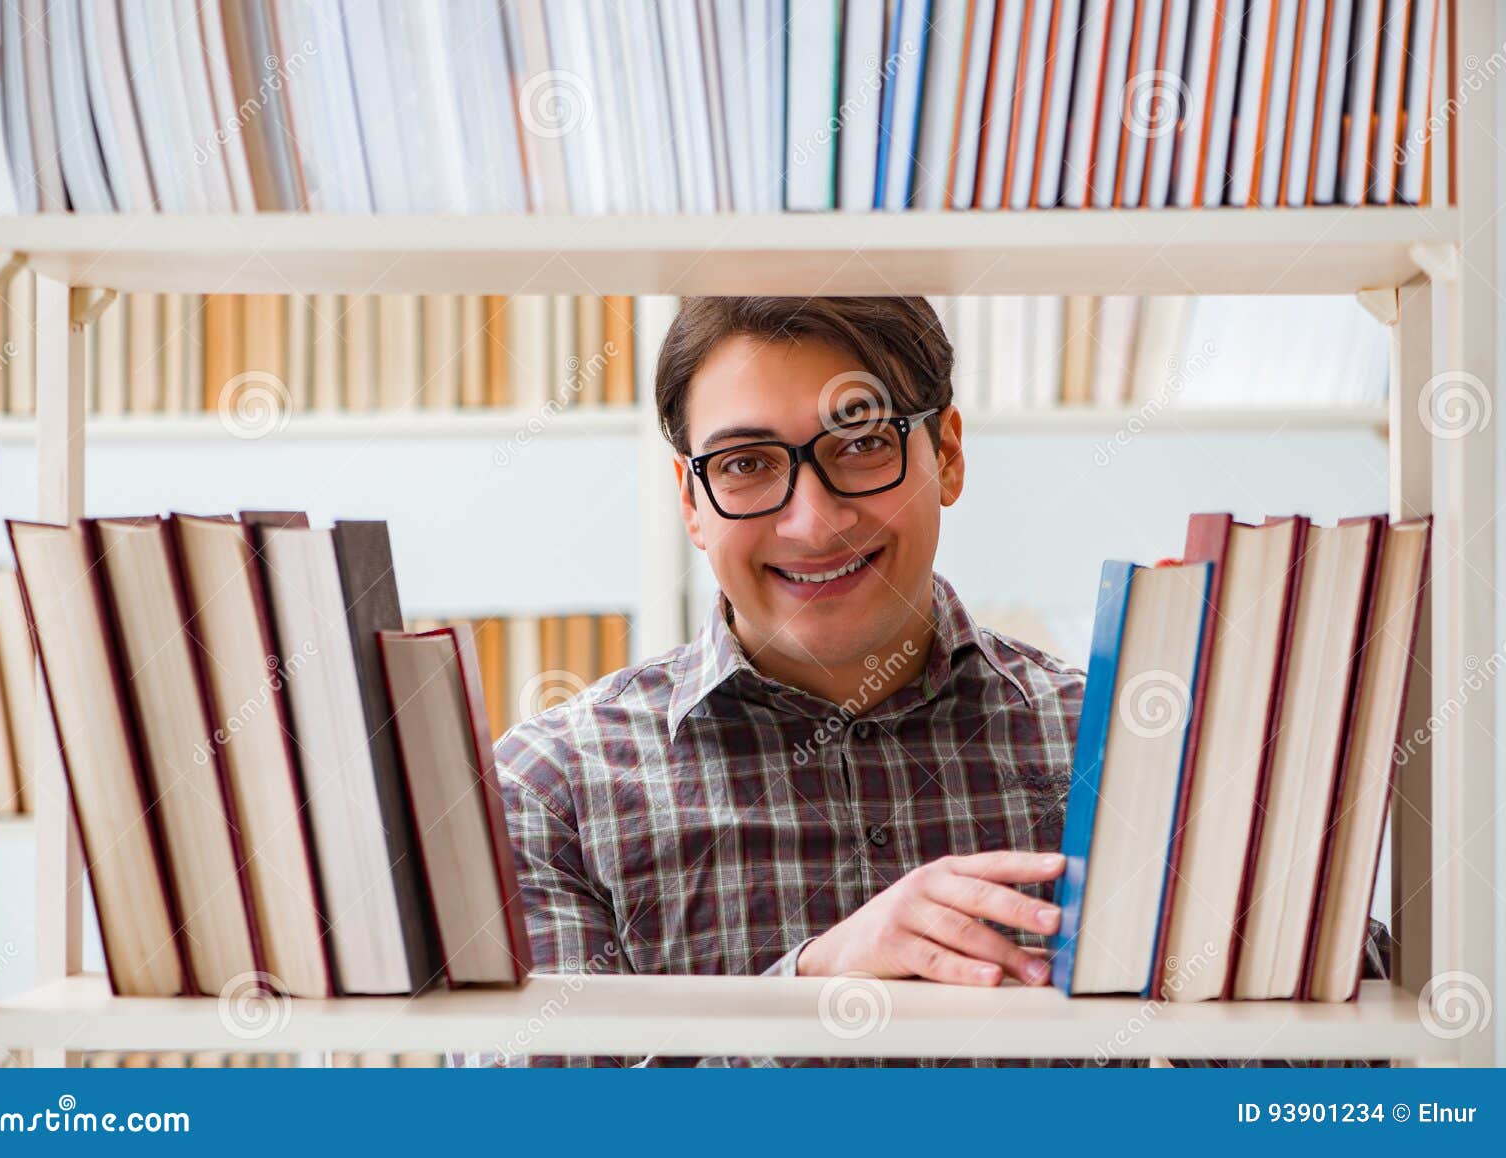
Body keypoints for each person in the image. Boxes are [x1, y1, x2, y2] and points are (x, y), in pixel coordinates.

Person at [479, 296, 1387, 1067]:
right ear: (690, 499)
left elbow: (1367, 1085)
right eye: (747, 465)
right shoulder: (546, 790)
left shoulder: (1142, 742)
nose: (813, 519)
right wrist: (812, 993)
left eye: (862, 442)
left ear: (946, 454)